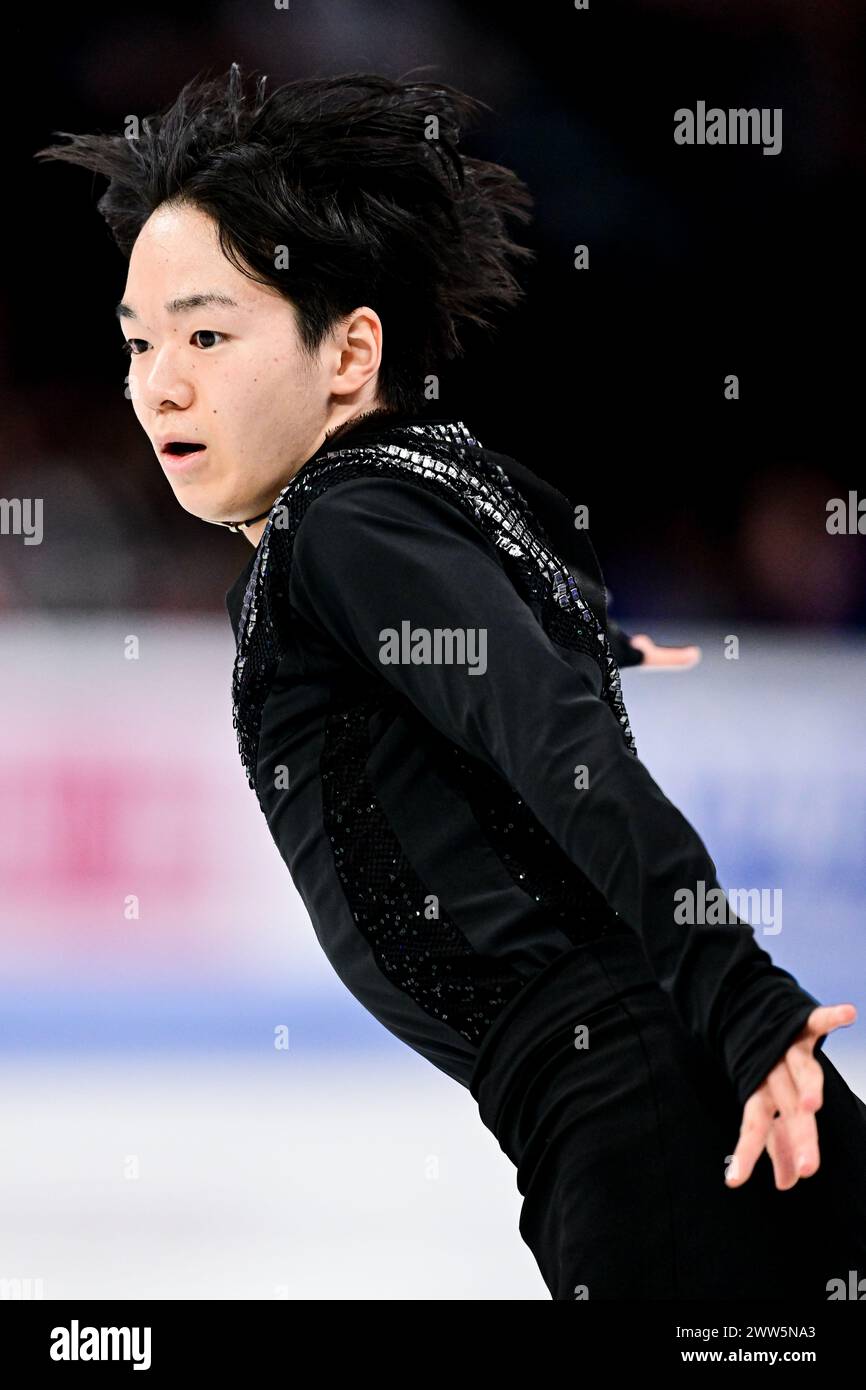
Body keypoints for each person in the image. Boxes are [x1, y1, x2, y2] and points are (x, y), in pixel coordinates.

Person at [36, 63, 866, 1300]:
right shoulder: (414, 488)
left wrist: (737, 994)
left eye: (208, 334)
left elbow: (551, 738)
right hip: (659, 1103)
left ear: (347, 350)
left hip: (654, 1121)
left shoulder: (339, 524)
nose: (161, 382)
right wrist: (583, 639)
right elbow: (517, 610)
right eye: (140, 343)